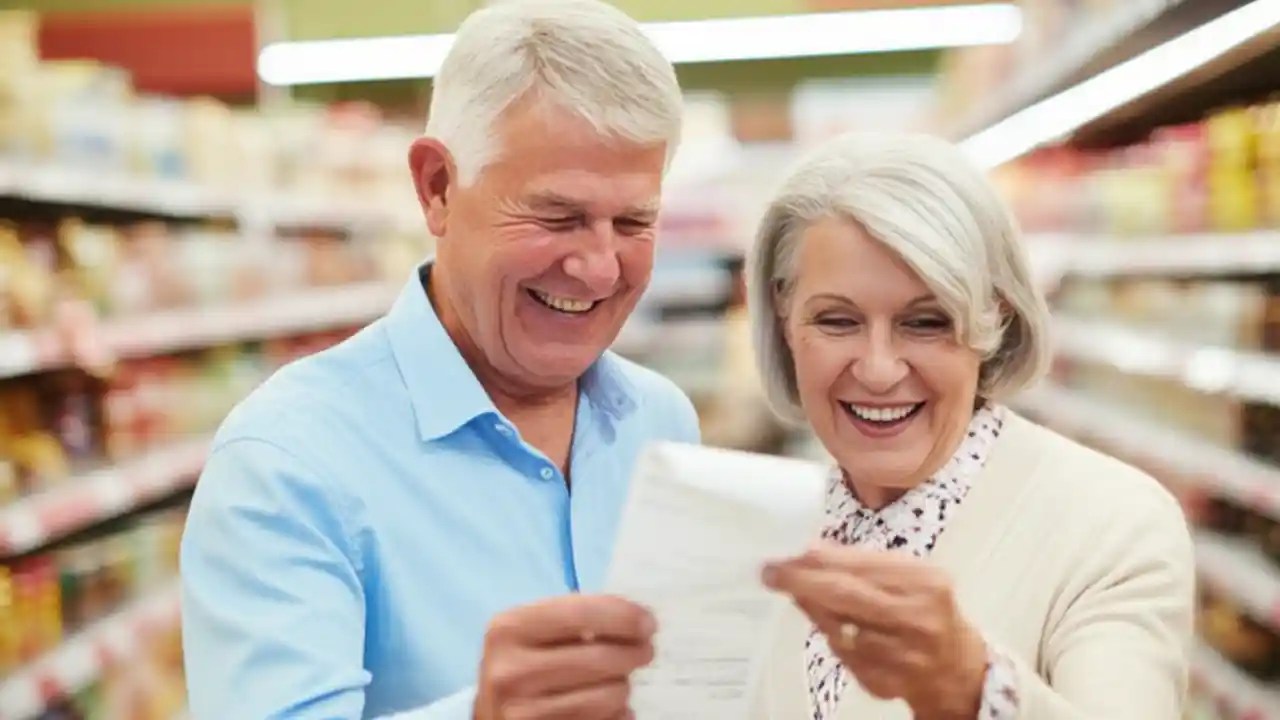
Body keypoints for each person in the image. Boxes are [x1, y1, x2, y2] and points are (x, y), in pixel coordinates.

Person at [179, 1, 698, 718]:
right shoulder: (287, 462)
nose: (601, 268)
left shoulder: (661, 421)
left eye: (634, 221)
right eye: (557, 216)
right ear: (437, 188)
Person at [745, 132, 1195, 719]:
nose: (879, 371)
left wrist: (971, 687)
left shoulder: (1113, 525)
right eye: (836, 320)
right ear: (784, 317)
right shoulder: (762, 529)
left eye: (927, 323)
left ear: (995, 321)